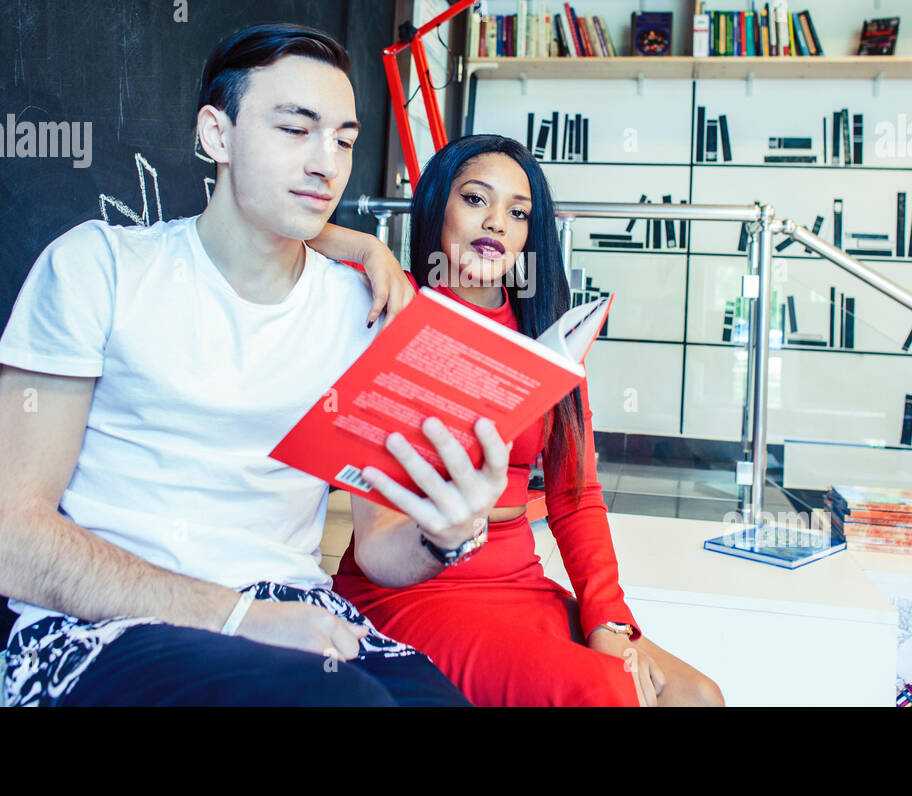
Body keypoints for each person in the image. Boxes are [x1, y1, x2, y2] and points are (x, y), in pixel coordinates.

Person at [0, 23, 513, 706]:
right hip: (106, 623)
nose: (328, 164)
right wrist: (238, 617)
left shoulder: (359, 311)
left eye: (344, 140)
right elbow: (1, 537)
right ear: (216, 136)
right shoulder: (98, 268)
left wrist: (444, 535)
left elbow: (378, 552)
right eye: (295, 130)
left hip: (297, 614)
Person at [310, 134, 726, 707]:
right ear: (439, 208)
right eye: (476, 200)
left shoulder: (549, 337)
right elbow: (282, 224)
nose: (498, 223)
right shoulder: (395, 303)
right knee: (607, 693)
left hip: (522, 582)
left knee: (698, 697)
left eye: (519, 212)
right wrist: (367, 249)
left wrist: (608, 622)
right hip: (415, 587)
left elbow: (576, 496)